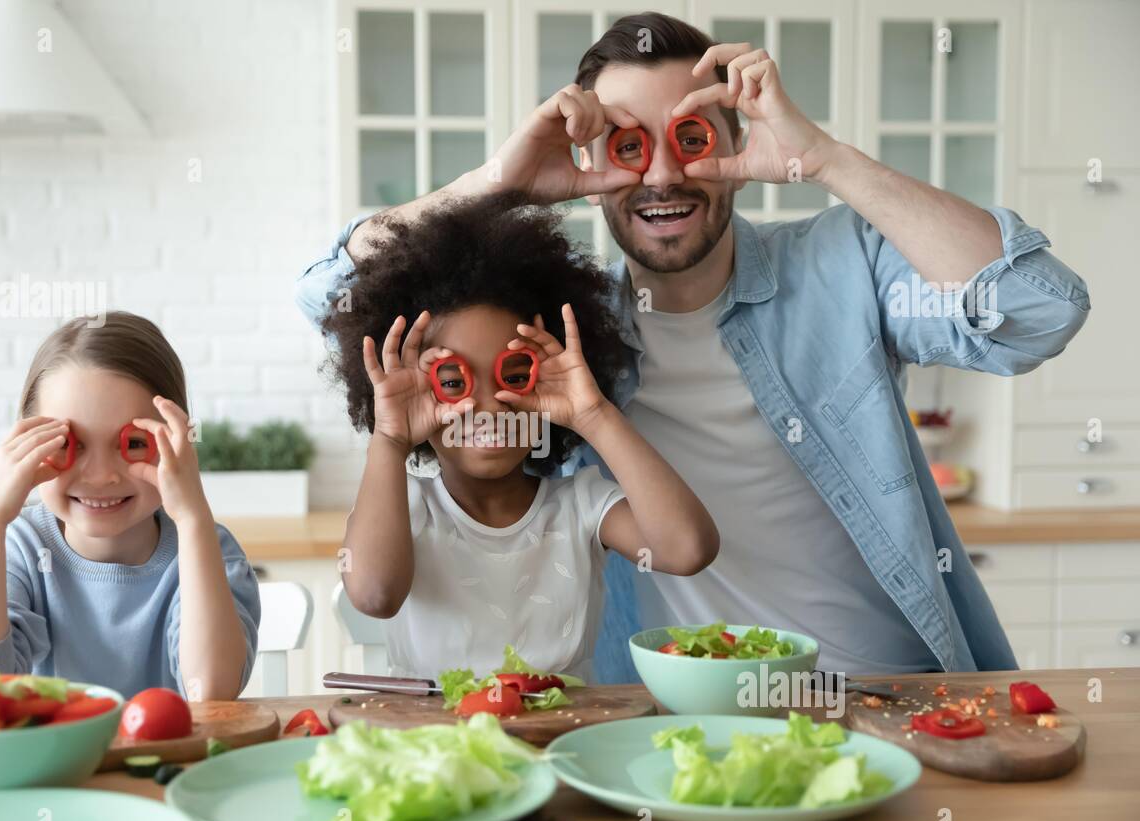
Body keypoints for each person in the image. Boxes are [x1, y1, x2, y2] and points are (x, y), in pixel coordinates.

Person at [298, 13, 1090, 678]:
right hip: (677, 712)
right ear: (589, 163)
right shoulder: (566, 336)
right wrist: (491, 184)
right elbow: (328, 294)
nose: (665, 174)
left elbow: (1037, 312)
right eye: (629, 145)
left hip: (886, 695)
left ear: (740, 145)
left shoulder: (844, 265)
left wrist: (829, 161)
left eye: (691, 137)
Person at [320, 193, 718, 680]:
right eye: (452, 382)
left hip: (564, 741)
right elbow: (374, 595)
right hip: (437, 746)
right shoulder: (405, 507)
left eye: (514, 375)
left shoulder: (582, 504)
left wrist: (593, 413)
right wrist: (389, 438)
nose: (487, 405)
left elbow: (688, 550)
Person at [0, 311, 261, 700]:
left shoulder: (209, 549)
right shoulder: (19, 549)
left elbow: (211, 693)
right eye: (68, 444)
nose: (100, 476)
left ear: (177, 442)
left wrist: (192, 517)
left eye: (133, 443)